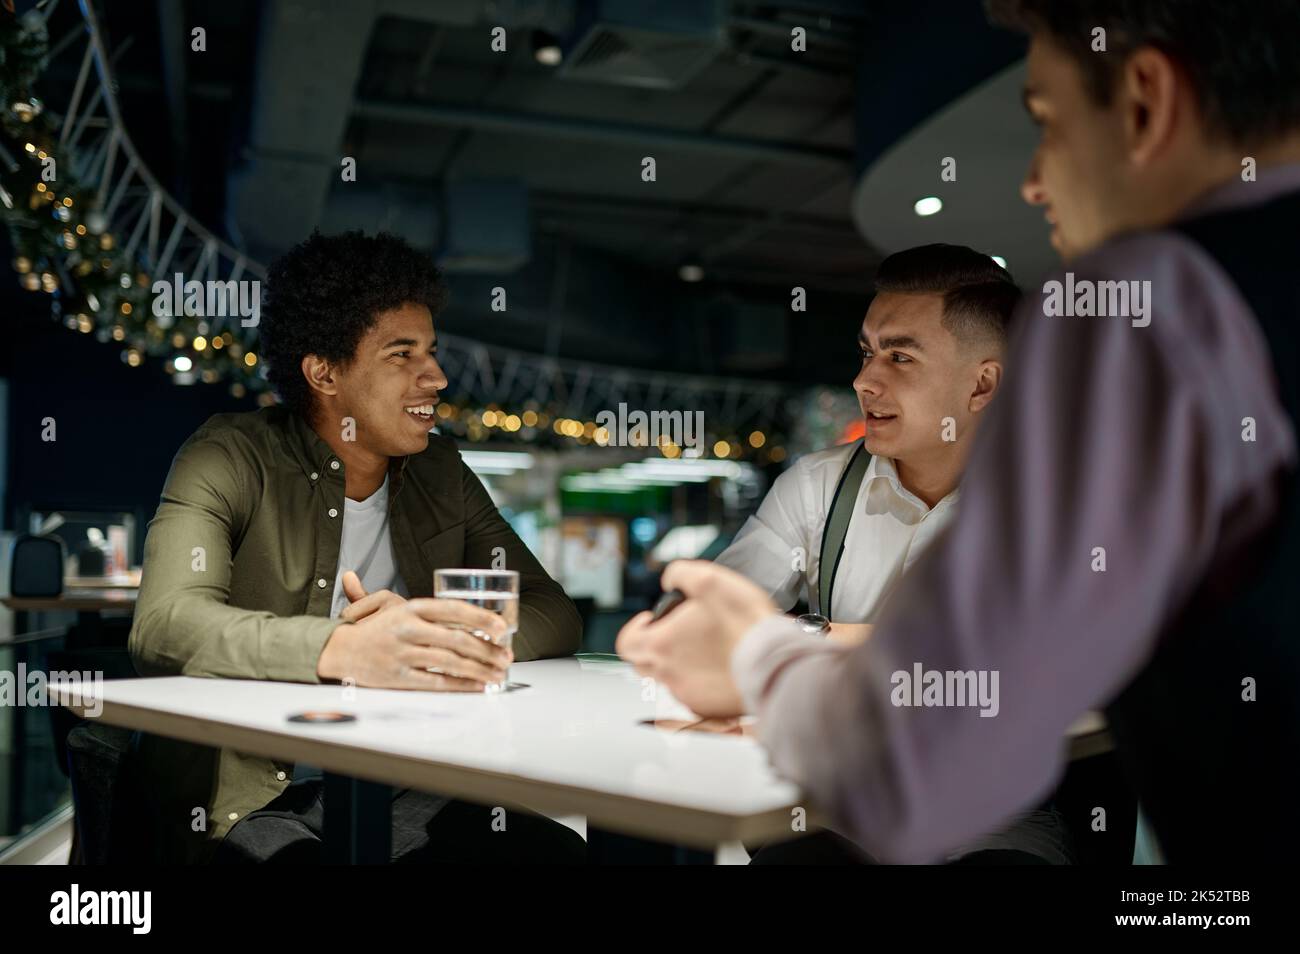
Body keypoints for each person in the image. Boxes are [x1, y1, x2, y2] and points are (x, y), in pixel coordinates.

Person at [617, 0, 1300, 863]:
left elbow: (914, 771)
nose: (1032, 180)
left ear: (1143, 100)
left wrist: (759, 657)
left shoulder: (1146, 303)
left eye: (1046, 122)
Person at [128, 230, 585, 864]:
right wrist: (349, 649)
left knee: (560, 855)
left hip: (409, 777)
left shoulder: (441, 475)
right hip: (256, 798)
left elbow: (551, 609)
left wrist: (444, 642)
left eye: (431, 351)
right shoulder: (228, 455)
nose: (437, 377)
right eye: (403, 354)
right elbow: (165, 626)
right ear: (324, 373)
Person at [718, 243, 1072, 864]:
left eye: (900, 356)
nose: (863, 380)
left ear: (983, 383)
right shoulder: (819, 485)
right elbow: (713, 624)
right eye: (867, 351)